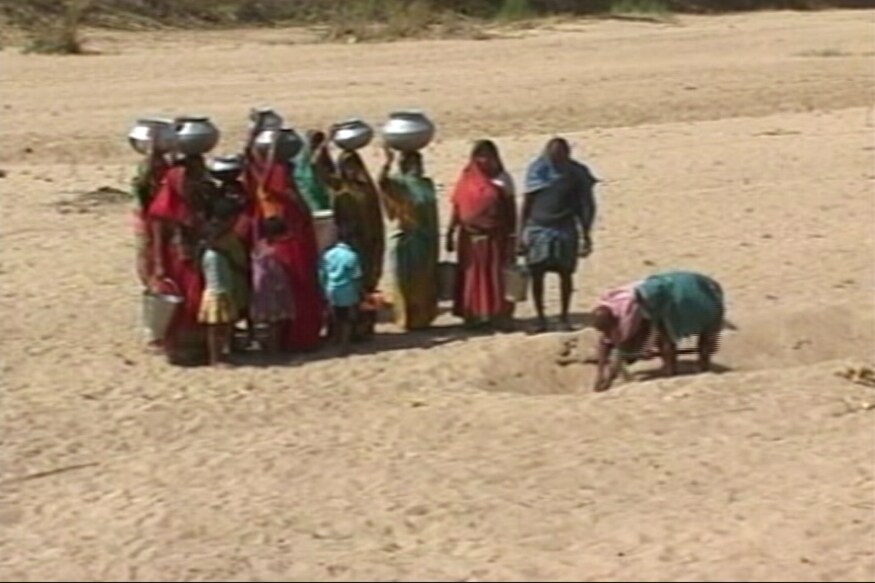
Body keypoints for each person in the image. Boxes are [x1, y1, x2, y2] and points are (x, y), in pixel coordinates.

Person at [244, 129, 324, 352]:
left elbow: (255, 163)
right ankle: (297, 337)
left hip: (284, 245)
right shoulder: (278, 194)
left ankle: (285, 339)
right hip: (291, 247)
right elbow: (257, 163)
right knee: (297, 290)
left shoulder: (270, 192)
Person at [591, 271, 725, 392]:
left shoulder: (631, 315)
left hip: (674, 298)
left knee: (667, 336)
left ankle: (678, 371)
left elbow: (621, 343)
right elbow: (608, 342)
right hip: (655, 298)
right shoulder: (615, 307)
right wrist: (601, 374)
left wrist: (610, 374)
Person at [519, 137, 598, 333]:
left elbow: (586, 205)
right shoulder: (537, 171)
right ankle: (540, 318)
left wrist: (586, 233)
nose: (557, 159)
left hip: (565, 229)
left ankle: (564, 317)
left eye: (561, 155)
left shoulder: (577, 174)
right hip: (538, 228)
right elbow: (526, 204)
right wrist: (520, 233)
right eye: (554, 155)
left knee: (565, 274)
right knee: (536, 274)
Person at [315, 139, 385, 339]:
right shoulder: (338, 187)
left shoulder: (366, 189)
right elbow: (317, 168)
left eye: (354, 167)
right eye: (347, 168)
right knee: (344, 286)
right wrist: (323, 146)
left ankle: (365, 328)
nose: (351, 172)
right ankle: (342, 330)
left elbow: (375, 219)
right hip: (347, 243)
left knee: (367, 284)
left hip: (367, 244)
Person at [447, 140, 517, 329]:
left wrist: (513, 236)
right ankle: (473, 315)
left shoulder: (503, 180)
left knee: (494, 277)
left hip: (495, 238)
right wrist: (450, 231)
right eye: (480, 156)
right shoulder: (466, 178)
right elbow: (457, 207)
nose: (484, 160)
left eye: (488, 156)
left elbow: (511, 210)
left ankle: (498, 316)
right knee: (471, 277)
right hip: (469, 239)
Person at [147, 154, 210, 364]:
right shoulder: (163, 207)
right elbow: (157, 240)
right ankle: (179, 349)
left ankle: (199, 348)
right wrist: (159, 267)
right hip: (175, 262)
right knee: (181, 306)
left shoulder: (195, 201)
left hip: (195, 258)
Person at [377, 146, 439, 331]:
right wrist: (386, 163)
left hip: (427, 239)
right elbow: (382, 183)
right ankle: (405, 319)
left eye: (419, 162)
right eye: (413, 163)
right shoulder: (398, 183)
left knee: (424, 279)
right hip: (406, 238)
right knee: (404, 280)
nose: (417, 167)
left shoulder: (426, 183)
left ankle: (423, 319)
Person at [251, 217, 295, 354]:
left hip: (261, 289)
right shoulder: (272, 252)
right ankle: (273, 348)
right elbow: (275, 271)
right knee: (276, 321)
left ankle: (270, 345)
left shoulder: (259, 246)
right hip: (273, 289)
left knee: (270, 321)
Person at [198, 221, 238, 367]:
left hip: (224, 294)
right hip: (216, 295)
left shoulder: (221, 254)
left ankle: (222, 354)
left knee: (224, 328)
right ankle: (215, 358)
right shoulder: (212, 256)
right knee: (215, 330)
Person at [320, 226, 363, 355]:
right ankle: (344, 345)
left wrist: (323, 288)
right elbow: (356, 276)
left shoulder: (328, 254)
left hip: (331, 288)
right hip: (347, 290)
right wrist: (360, 292)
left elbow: (323, 273)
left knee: (335, 316)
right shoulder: (352, 256)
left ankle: (335, 339)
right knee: (347, 318)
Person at [293, 130, 333, 212]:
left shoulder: (317, 151)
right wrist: (328, 139)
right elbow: (314, 161)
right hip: (309, 186)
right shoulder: (306, 153)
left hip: (315, 185)